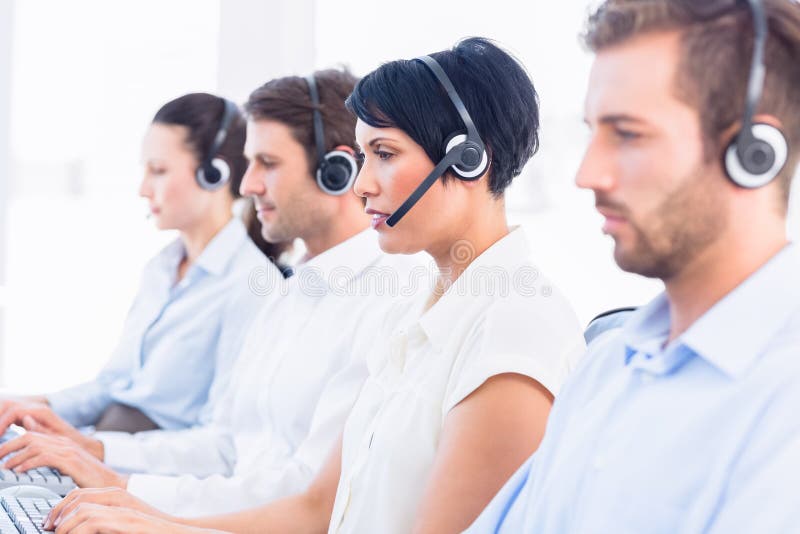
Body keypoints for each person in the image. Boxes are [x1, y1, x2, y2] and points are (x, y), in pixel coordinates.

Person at [43, 37, 585, 534]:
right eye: (363, 155)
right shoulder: (418, 316)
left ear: (469, 159)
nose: (363, 183)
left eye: (385, 154)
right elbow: (317, 508)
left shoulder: (513, 330)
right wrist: (145, 516)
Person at [3, 69, 422, 516]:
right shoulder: (289, 293)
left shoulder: (388, 300)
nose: (246, 185)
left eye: (269, 163)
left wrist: (129, 492)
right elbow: (226, 446)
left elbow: (306, 498)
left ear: (335, 171)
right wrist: (96, 456)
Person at [463, 1, 800, 532]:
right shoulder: (608, 364)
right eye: (593, 131)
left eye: (627, 134)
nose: (586, 173)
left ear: (753, 151)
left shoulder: (784, 404)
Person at [0, 93, 285, 446]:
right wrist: (26, 406)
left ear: (214, 174)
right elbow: (114, 384)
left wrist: (94, 450)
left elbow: (221, 441)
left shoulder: (250, 288)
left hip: (150, 474)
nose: (143, 188)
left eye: (159, 170)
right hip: (108, 446)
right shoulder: (161, 269)